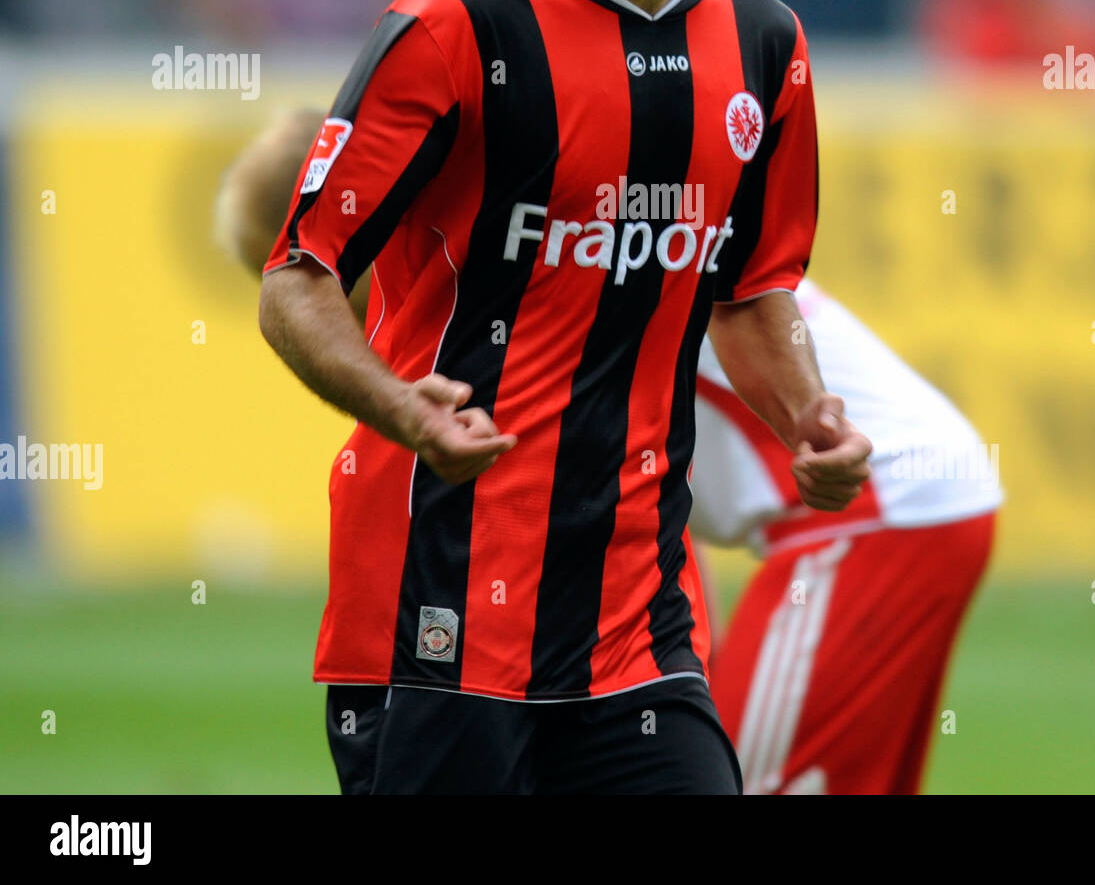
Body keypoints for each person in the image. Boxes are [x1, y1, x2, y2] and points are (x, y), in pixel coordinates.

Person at [254, 0, 870, 796]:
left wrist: (805, 419)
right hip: (433, 618)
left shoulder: (765, 45)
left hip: (639, 628)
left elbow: (750, 290)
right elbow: (297, 275)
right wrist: (399, 405)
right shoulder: (454, 28)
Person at [221, 129, 999, 797]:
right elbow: (643, 526)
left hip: (873, 509)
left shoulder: (503, 287)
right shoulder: (548, 217)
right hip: (899, 498)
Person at [692, 281, 1001, 794]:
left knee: (736, 782)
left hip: (871, 508)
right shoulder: (670, 237)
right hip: (917, 497)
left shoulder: (579, 274)